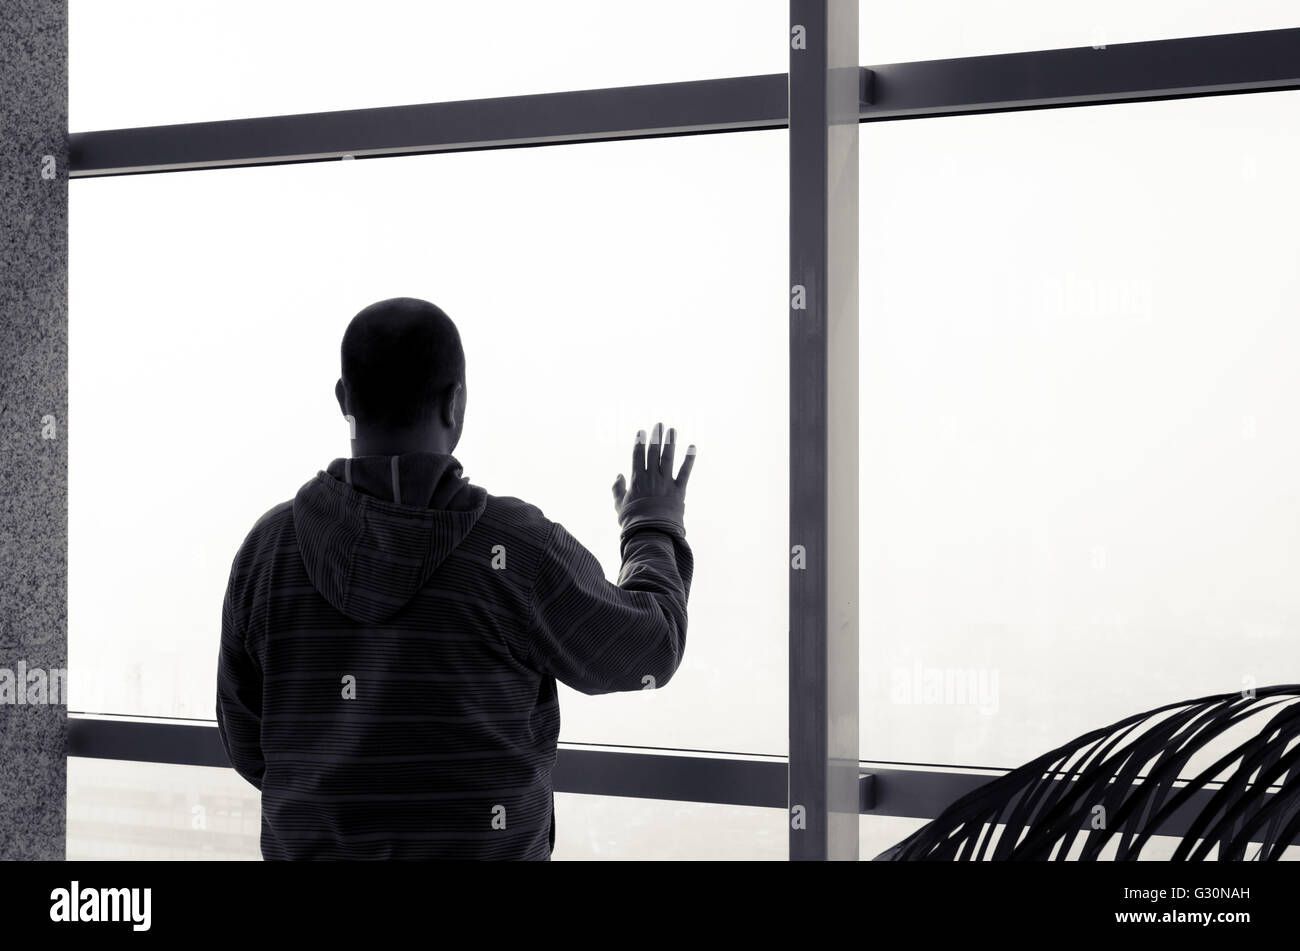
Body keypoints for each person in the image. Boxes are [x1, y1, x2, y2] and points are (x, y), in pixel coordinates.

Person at [216, 296, 696, 860]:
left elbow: (250, 741)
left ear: (345, 400)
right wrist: (651, 525)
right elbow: (648, 648)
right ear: (455, 402)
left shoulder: (268, 551)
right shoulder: (515, 549)